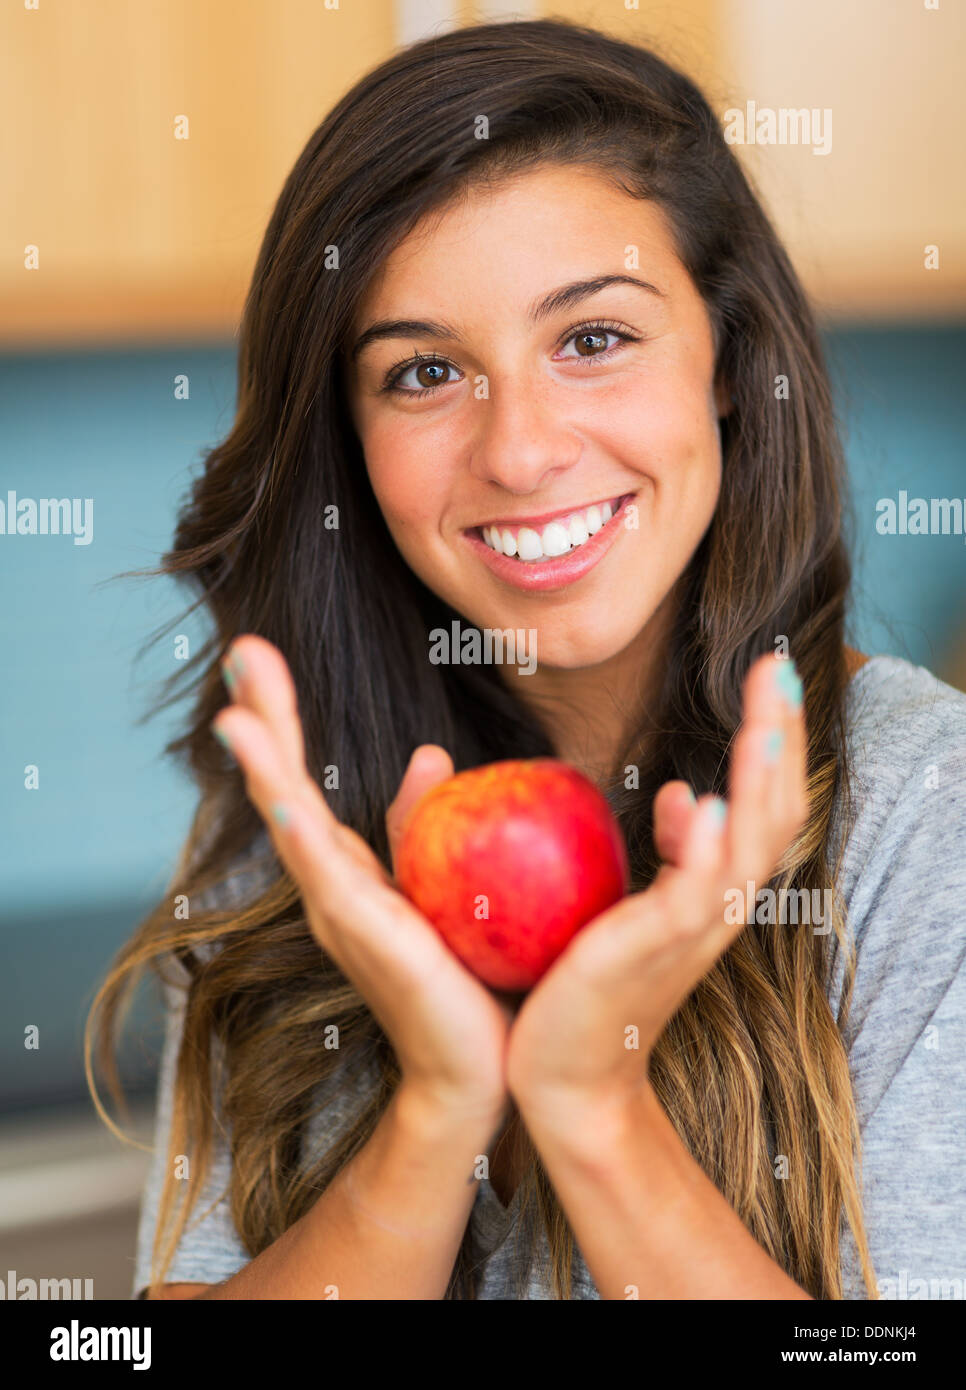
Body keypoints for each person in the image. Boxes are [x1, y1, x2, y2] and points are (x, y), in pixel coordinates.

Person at [85, 18, 966, 1301]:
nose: (520, 450)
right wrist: (439, 1109)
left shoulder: (925, 813)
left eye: (594, 338)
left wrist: (592, 1107)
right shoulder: (299, 841)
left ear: (727, 361)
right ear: (349, 437)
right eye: (426, 371)